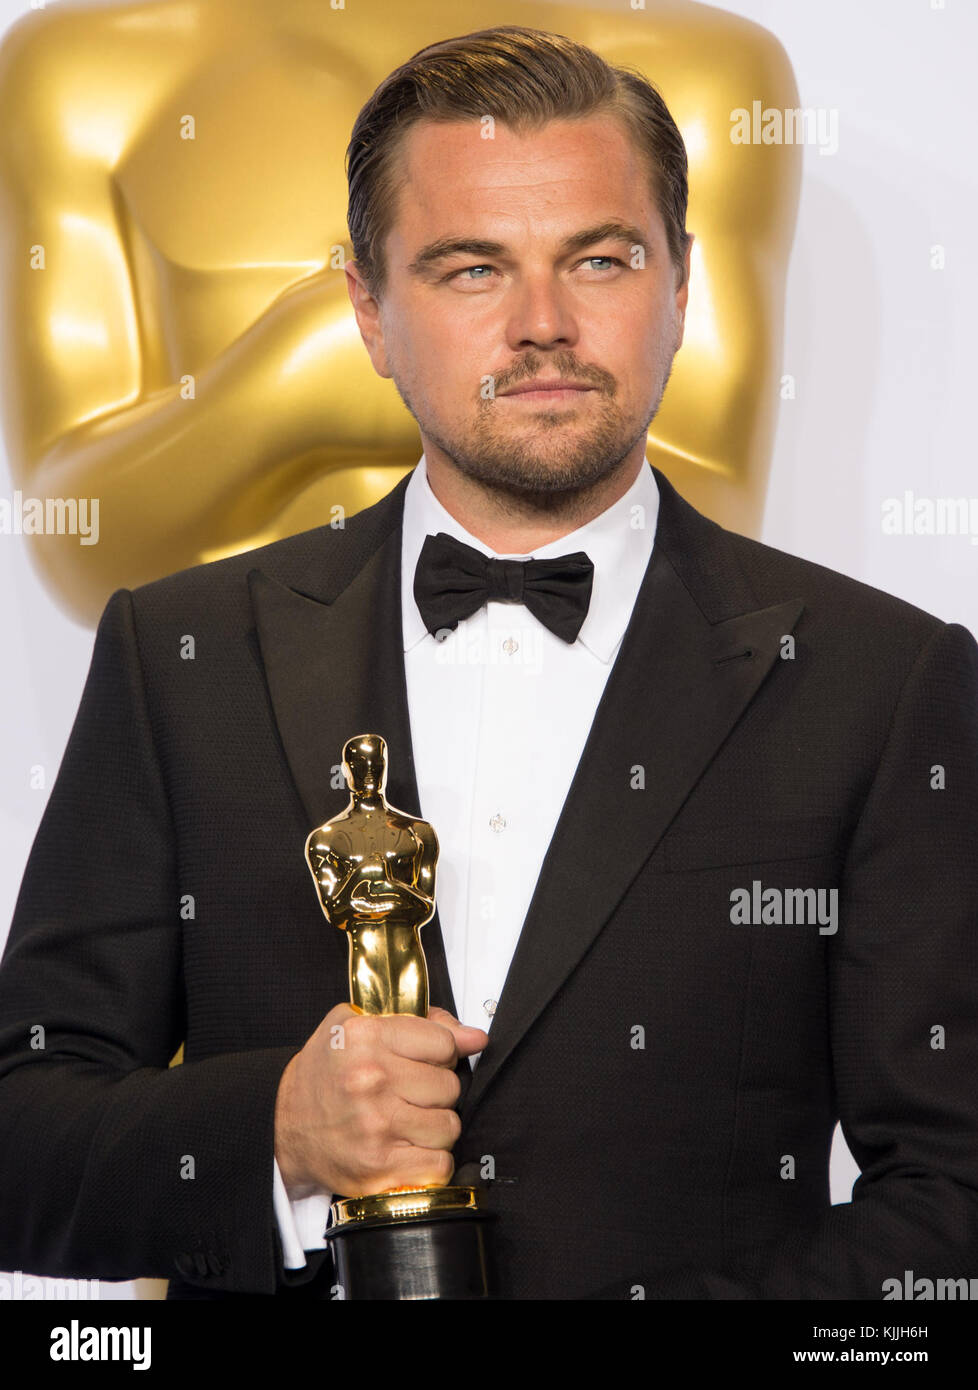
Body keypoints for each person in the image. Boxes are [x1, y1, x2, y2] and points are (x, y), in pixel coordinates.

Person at [1, 26, 977, 1301]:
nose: (544, 325)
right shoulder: (180, 655)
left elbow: (952, 1203)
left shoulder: (884, 681)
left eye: (603, 259)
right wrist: (277, 1135)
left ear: (682, 285)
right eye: (471, 269)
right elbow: (24, 1138)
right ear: (367, 309)